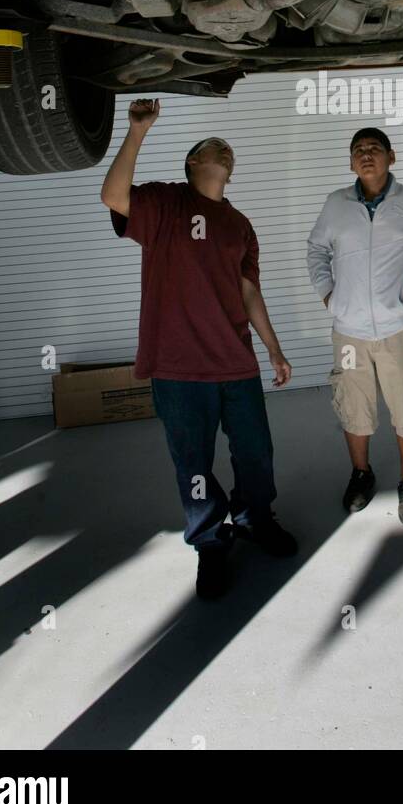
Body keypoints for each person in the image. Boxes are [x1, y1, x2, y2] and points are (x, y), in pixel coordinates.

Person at [100, 98, 297, 601]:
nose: (224, 150)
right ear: (192, 164)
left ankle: (256, 518)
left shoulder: (241, 225)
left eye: (228, 149)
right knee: (192, 462)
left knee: (256, 451)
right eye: (213, 147)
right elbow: (113, 196)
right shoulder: (166, 203)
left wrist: (274, 350)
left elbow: (250, 292)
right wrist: (138, 132)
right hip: (178, 366)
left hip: (235, 361)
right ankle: (211, 541)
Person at [307, 126, 403, 523]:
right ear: (351, 162)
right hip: (349, 332)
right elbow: (315, 249)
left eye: (375, 148)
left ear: (391, 157)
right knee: (353, 403)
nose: (367, 155)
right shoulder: (335, 205)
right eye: (359, 150)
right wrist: (328, 294)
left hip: (400, 325)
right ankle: (361, 474)